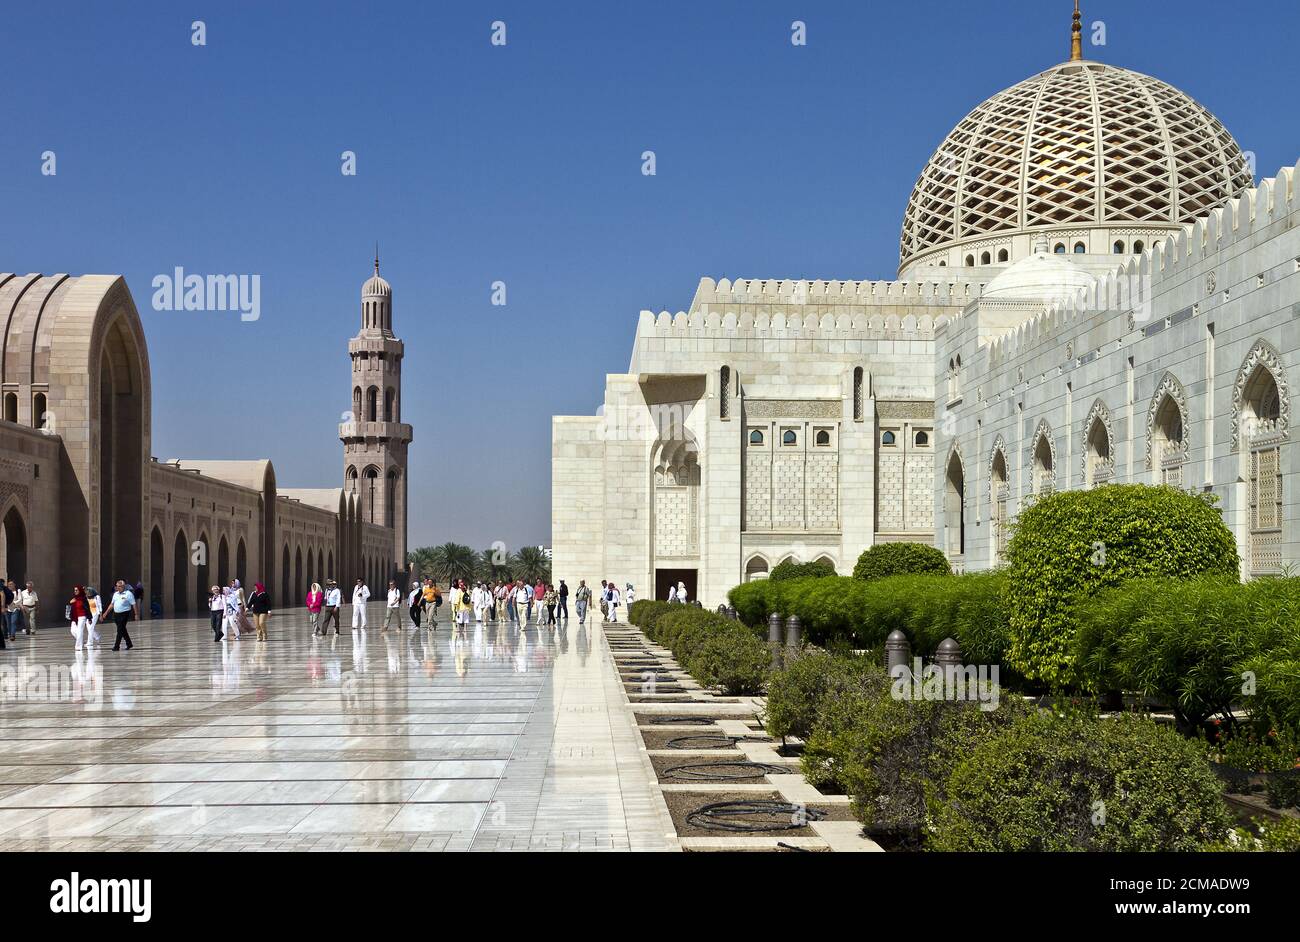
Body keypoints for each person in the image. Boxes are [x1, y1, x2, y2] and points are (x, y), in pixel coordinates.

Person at [108, 579, 137, 651]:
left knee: (119, 630)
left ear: (123, 586)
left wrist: (136, 614)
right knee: (122, 629)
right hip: (116, 614)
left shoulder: (128, 594)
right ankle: (129, 643)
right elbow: (112, 604)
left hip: (125, 613)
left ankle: (116, 646)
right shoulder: (115, 594)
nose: (118, 588)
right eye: (117, 586)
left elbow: (134, 604)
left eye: (120, 586)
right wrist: (105, 613)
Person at [68, 585, 91, 651]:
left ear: (80, 591)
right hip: (75, 617)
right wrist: (70, 603)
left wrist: (89, 618)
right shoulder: (74, 599)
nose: (75, 591)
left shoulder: (83, 599)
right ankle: (81, 640)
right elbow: (71, 608)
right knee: (73, 631)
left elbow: (87, 609)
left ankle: (78, 647)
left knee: (80, 631)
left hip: (82, 617)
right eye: (74, 590)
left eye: (76, 590)